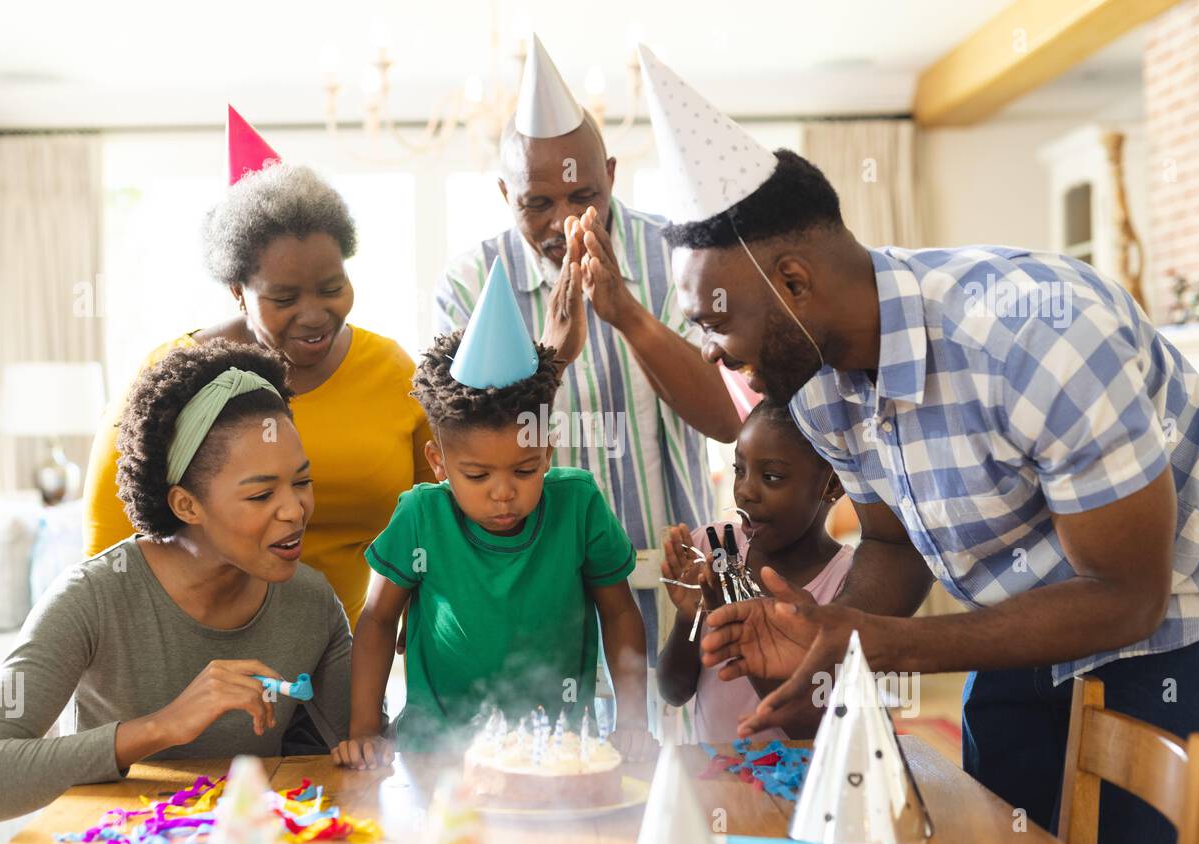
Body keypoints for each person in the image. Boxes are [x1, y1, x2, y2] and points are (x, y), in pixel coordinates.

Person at [638, 45, 1199, 844]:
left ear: (795, 284)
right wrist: (822, 661)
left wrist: (891, 645)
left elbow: (1127, 595)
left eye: (713, 321)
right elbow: (891, 542)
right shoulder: (818, 387)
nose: (708, 351)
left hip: (1170, 633)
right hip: (1018, 630)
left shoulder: (1036, 335)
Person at [435, 38, 738, 727]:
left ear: (611, 172)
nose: (564, 221)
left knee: (669, 780)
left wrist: (627, 314)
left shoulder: (676, 255)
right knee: (549, 793)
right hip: (536, 589)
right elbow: (467, 442)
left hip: (674, 588)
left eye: (585, 196)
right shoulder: (467, 282)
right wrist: (553, 356)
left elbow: (725, 418)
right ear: (505, 194)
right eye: (538, 202)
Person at [0, 342, 352, 829]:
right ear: (185, 505)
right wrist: (161, 727)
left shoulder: (311, 602)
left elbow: (358, 753)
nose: (295, 510)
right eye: (261, 494)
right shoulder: (91, 599)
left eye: (301, 482)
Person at [84, 107, 433, 626]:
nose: (315, 315)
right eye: (284, 297)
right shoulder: (173, 376)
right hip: (201, 656)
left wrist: (424, 604)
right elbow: (106, 547)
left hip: (347, 658)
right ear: (237, 293)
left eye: (332, 288)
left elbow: (437, 515)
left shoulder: (389, 370)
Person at [338, 261, 656, 766]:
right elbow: (377, 618)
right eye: (478, 477)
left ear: (548, 453)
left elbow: (619, 612)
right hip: (436, 750)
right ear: (439, 463)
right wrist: (364, 727)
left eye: (525, 471)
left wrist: (634, 722)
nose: (503, 494)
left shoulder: (577, 505)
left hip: (557, 750)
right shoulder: (422, 515)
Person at [658, 401, 850, 742]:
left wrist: (740, 637)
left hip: (800, 783)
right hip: (714, 778)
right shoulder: (712, 548)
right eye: (739, 470)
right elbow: (673, 692)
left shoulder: (847, 582)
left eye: (771, 477)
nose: (744, 491)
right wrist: (690, 621)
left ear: (831, 484)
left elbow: (818, 725)